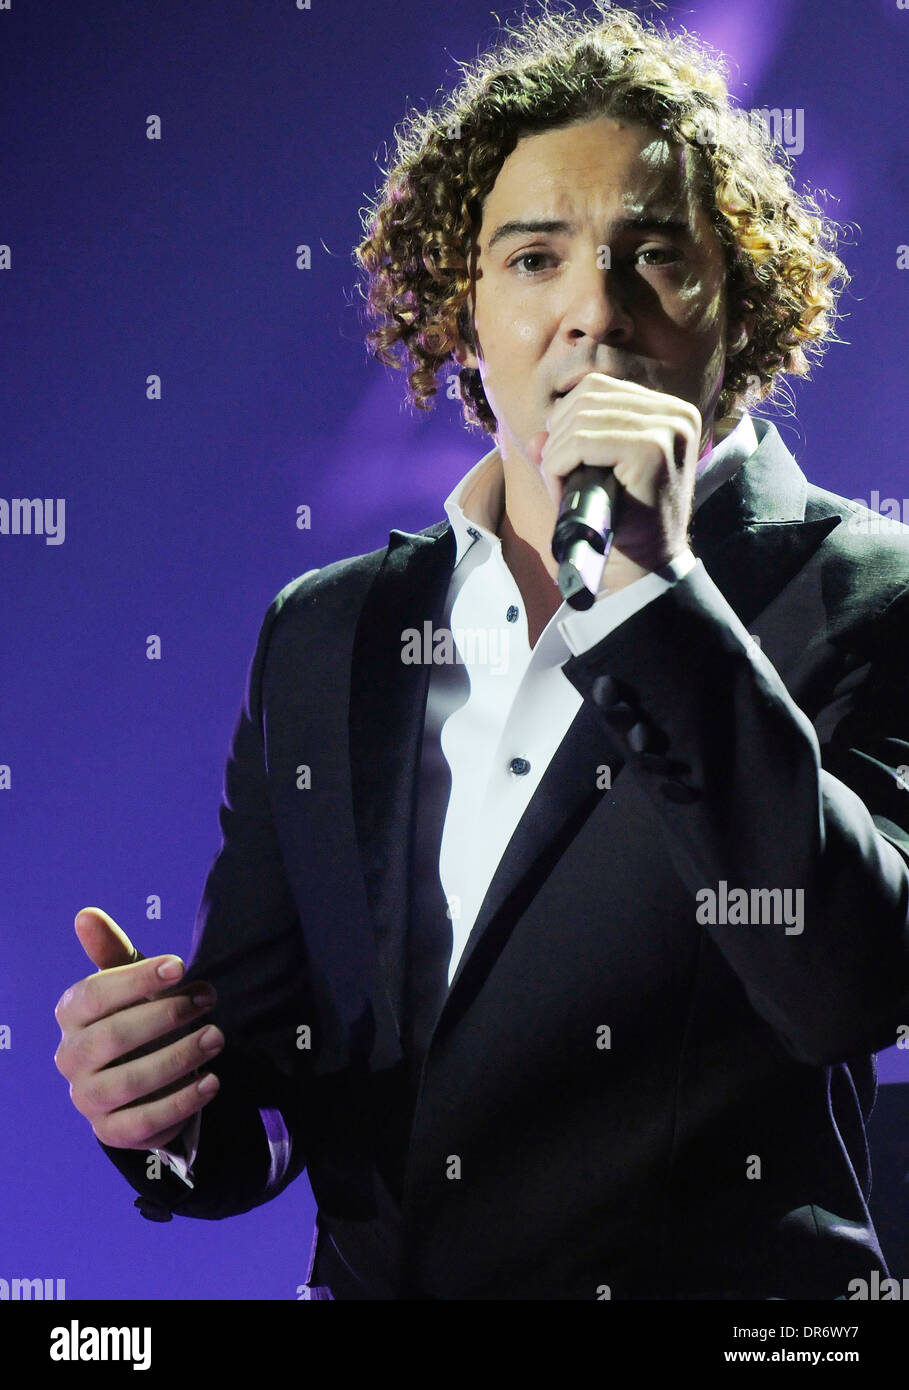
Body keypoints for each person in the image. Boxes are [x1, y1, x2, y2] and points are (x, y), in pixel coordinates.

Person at [54, 2, 909, 1299]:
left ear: (742, 304)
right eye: (531, 258)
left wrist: (647, 591)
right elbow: (279, 1084)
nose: (593, 309)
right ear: (457, 312)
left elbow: (847, 985)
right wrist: (168, 1111)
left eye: (656, 254)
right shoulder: (323, 629)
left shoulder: (871, 590)